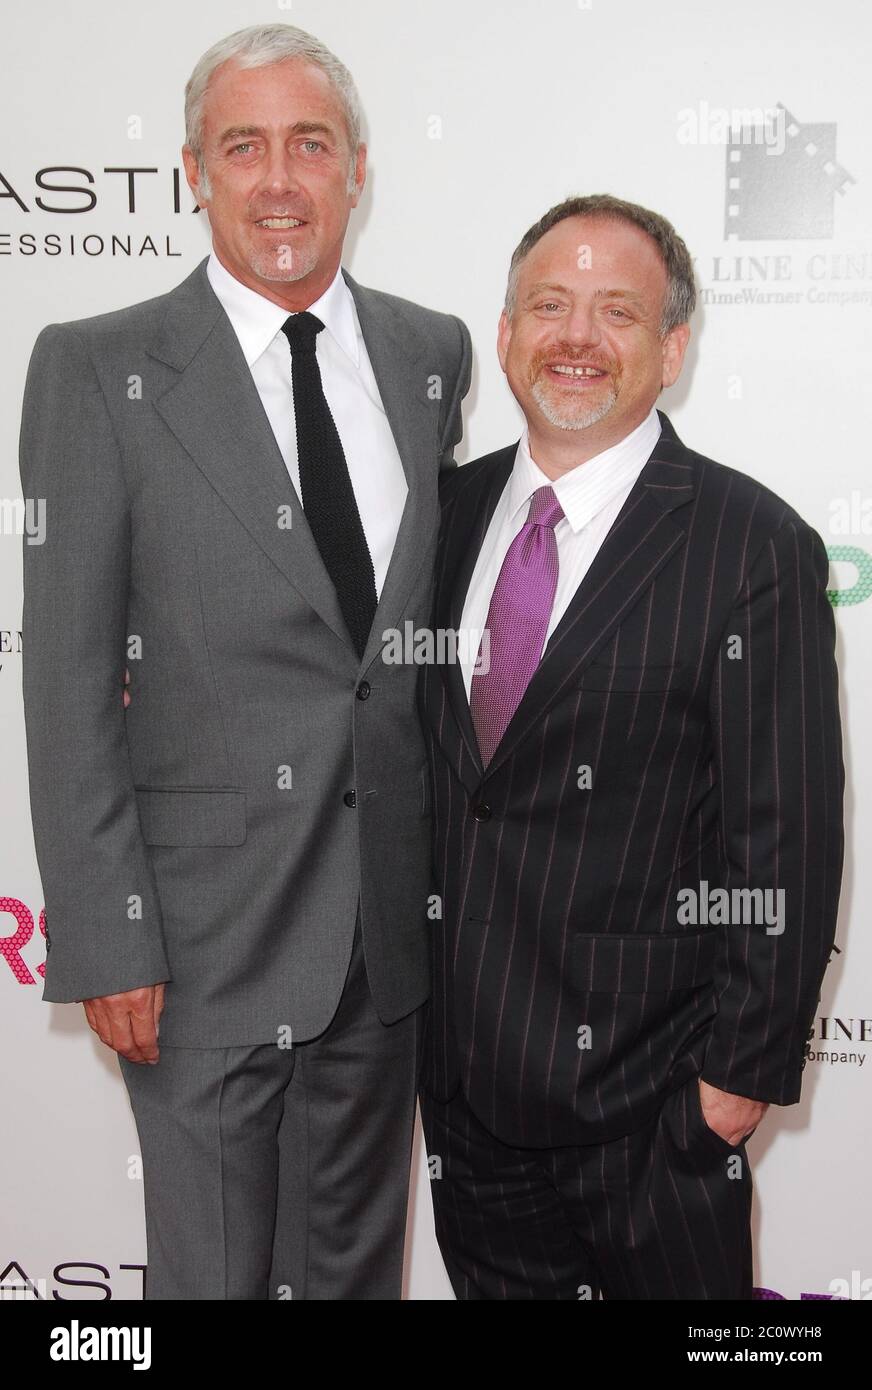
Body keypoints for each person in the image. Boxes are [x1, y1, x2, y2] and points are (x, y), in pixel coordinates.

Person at [19, 23, 471, 1300]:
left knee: (351, 1279)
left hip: (384, 941)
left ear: (357, 170)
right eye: (244, 146)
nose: (279, 179)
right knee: (210, 1282)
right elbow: (63, 687)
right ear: (192, 172)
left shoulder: (427, 352)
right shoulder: (97, 369)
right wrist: (109, 941)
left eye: (309, 145)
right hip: (199, 945)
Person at [418, 194, 843, 1300]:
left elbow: (782, 833)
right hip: (466, 1103)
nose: (573, 338)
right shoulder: (445, 517)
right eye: (548, 305)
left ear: (672, 347)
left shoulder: (748, 542)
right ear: (504, 333)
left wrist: (735, 1078)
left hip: (651, 1108)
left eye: (615, 312)